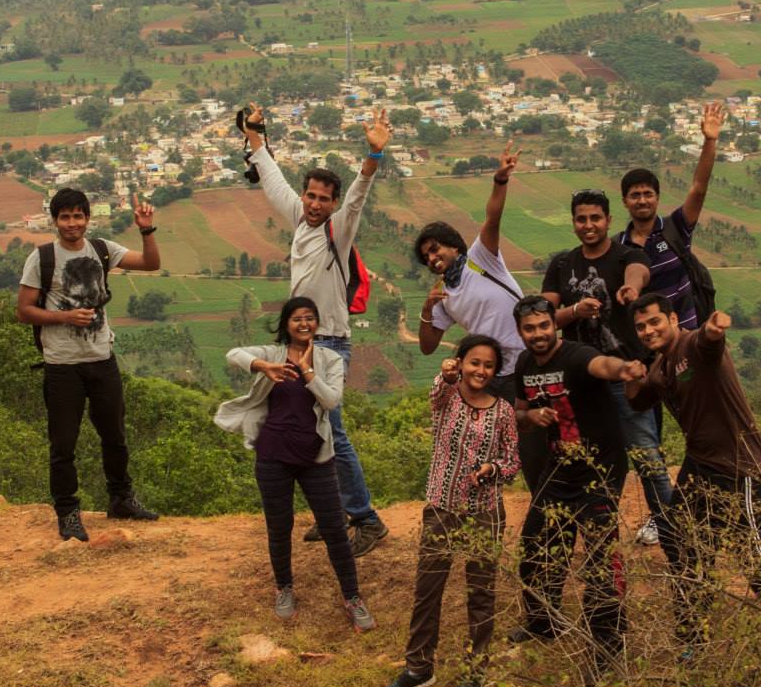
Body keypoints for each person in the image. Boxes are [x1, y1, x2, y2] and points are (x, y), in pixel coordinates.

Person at [242, 102, 394, 557]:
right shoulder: (299, 220)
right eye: (310, 196)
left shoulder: (338, 229)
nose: (313, 204)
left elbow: (359, 193)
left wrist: (373, 155)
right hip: (302, 343)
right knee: (305, 430)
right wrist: (255, 134)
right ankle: (335, 512)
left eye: (323, 199)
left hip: (328, 346)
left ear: (333, 203)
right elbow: (272, 178)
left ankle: (366, 519)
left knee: (332, 432)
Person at [628, 296, 761, 661]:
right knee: (683, 545)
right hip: (699, 466)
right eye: (641, 327)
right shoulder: (661, 367)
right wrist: (629, 377)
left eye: (655, 322)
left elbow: (709, 342)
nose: (648, 331)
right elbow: (638, 401)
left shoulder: (692, 347)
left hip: (737, 466)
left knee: (755, 555)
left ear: (673, 319)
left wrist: (714, 329)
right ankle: (693, 638)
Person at [505, 295, 647, 683]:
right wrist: (531, 415)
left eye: (544, 326)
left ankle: (607, 645)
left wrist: (625, 369)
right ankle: (543, 621)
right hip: (559, 469)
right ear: (520, 332)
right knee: (536, 546)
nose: (538, 334)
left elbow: (602, 365)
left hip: (599, 471)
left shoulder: (575, 355)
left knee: (601, 558)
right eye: (530, 328)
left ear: (555, 324)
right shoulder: (524, 364)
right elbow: (518, 413)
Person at [218, 297, 376, 632]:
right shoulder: (273, 354)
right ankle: (284, 588)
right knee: (279, 527)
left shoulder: (330, 359)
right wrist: (265, 367)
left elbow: (331, 400)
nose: (304, 324)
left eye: (309, 318)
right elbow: (233, 354)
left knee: (334, 528)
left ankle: (352, 597)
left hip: (315, 457)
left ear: (317, 323)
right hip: (272, 454)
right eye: (296, 319)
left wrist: (307, 371)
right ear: (286, 325)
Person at [16, 186, 164, 542]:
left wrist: (146, 230)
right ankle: (68, 512)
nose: (72, 223)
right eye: (65, 217)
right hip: (61, 365)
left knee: (115, 436)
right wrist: (65, 316)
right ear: (55, 221)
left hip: (102, 360)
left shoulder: (101, 250)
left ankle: (121, 499)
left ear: (87, 218)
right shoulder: (42, 258)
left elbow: (151, 264)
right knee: (63, 445)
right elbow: (24, 311)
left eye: (78, 216)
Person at [384, 334, 520, 687]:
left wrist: (492, 468)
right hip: (442, 507)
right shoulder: (447, 398)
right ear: (460, 363)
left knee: (481, 593)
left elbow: (512, 462)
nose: (481, 370)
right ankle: (418, 668)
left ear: (496, 371)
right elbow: (439, 388)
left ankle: (476, 670)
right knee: (428, 590)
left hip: (485, 511)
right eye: (474, 362)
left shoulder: (503, 411)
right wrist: (446, 375)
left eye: (488, 365)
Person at [541, 189, 672, 549]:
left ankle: (672, 531)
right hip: (580, 382)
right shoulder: (562, 264)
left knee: (646, 454)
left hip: (625, 376)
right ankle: (596, 534)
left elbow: (637, 273)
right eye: (581, 219)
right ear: (573, 223)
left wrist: (630, 288)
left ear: (609, 220)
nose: (589, 225)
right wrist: (575, 312)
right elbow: (545, 318)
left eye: (595, 218)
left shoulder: (626, 255)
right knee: (585, 458)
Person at [416, 146, 528, 376]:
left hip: (527, 360)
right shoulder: (442, 293)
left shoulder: (480, 258)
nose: (432, 259)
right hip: (493, 374)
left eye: (435, 250)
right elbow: (428, 347)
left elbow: (493, 218)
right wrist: (427, 310)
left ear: (454, 246)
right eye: (426, 257)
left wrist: (500, 180)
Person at [618, 100, 726, 332]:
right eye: (635, 195)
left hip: (686, 336)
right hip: (648, 342)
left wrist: (710, 140)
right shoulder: (619, 247)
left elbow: (698, 188)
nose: (642, 201)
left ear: (657, 198)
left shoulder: (676, 227)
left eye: (648, 194)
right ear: (625, 201)